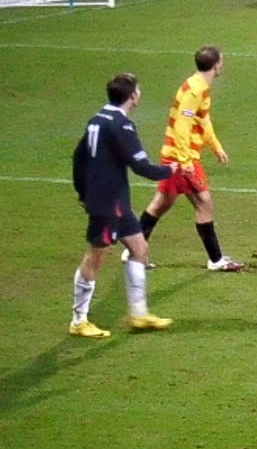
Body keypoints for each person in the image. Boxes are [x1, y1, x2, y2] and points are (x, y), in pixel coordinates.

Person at [68, 72, 180, 337]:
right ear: (133, 96)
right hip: (108, 203)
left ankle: (139, 315)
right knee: (95, 258)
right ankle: (78, 320)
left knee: (139, 248)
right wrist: (170, 171)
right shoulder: (121, 125)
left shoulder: (96, 120)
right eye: (138, 90)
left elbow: (78, 159)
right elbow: (140, 165)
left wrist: (83, 192)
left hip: (114, 201)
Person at [130, 45, 245, 272]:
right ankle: (216, 259)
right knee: (205, 203)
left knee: (162, 203)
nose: (222, 65)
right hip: (182, 157)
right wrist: (186, 161)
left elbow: (203, 121)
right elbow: (183, 126)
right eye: (221, 61)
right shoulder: (194, 91)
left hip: (175, 154)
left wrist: (215, 146)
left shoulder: (198, 86)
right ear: (216, 65)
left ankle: (133, 252)